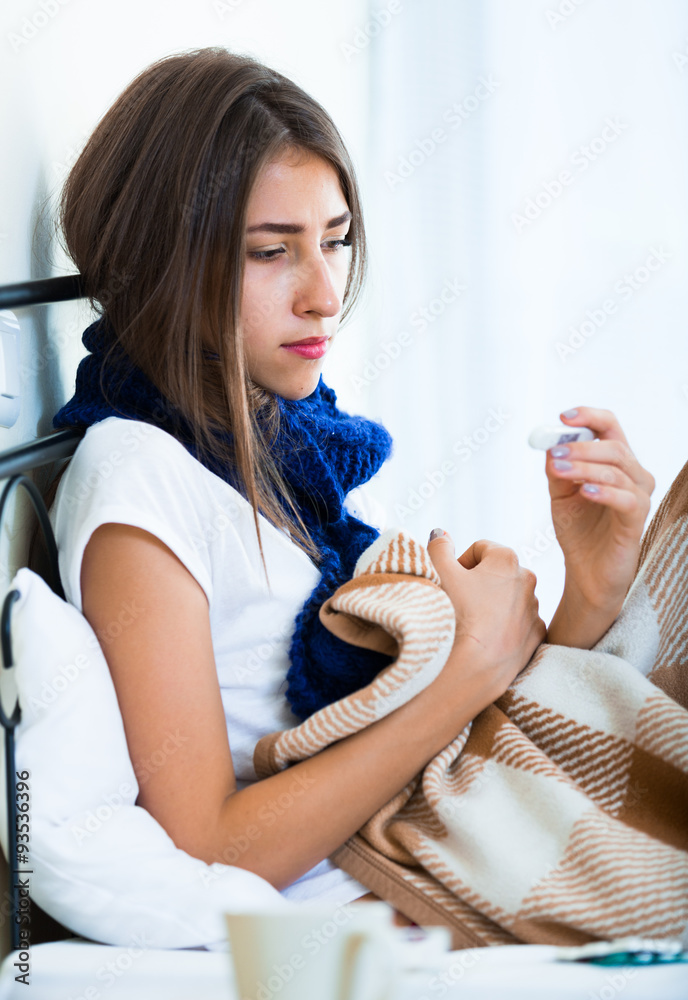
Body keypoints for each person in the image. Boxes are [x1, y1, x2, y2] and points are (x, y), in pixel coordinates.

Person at [45, 48, 654, 911]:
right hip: (371, 893)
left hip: (443, 832)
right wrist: (468, 671)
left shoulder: (277, 452)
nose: (325, 295)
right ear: (158, 262)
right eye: (271, 251)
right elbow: (208, 845)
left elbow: (455, 739)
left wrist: (593, 590)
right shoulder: (137, 477)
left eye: (334, 242)